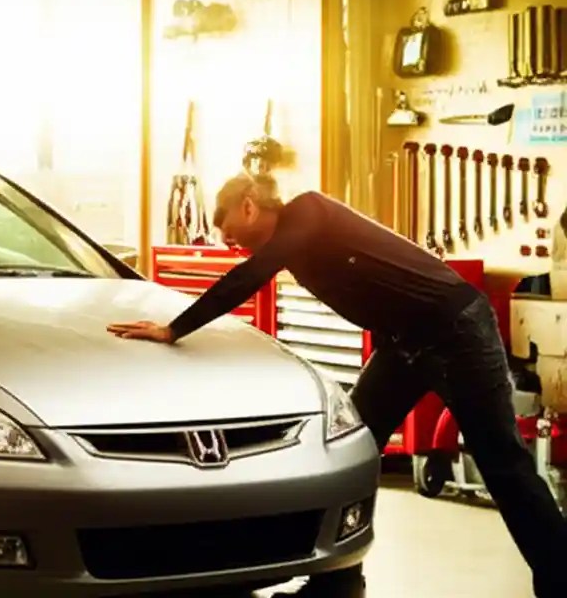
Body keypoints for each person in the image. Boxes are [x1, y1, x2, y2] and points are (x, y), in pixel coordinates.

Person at [107, 172, 567, 598]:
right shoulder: (293, 243)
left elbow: (249, 276)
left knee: (504, 465)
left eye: (231, 233)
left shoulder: (307, 212)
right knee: (351, 451)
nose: (231, 245)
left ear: (249, 206)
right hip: (404, 343)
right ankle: (337, 582)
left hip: (456, 331)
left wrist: (174, 328)